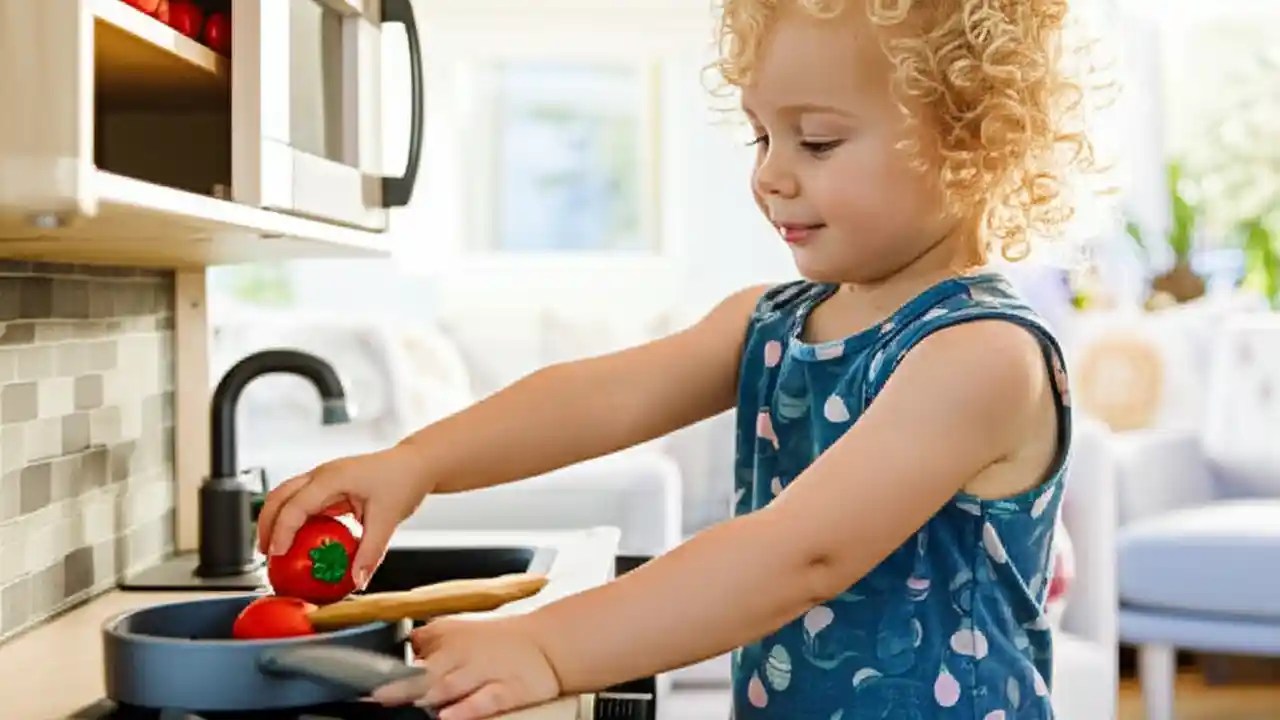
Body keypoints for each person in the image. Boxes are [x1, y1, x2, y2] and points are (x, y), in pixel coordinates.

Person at [257, 0, 1100, 717]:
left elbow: (798, 556)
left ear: (971, 143)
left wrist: (548, 648)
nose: (771, 174)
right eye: (760, 137)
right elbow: (601, 398)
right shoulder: (772, 322)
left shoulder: (982, 356)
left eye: (814, 142)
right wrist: (418, 463)